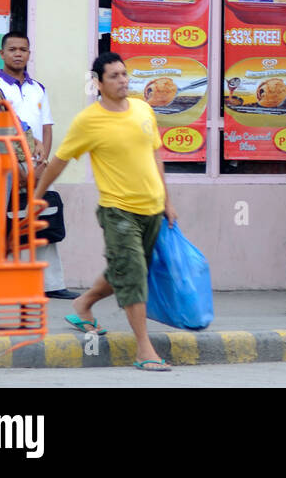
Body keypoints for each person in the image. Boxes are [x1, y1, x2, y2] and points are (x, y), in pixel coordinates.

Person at [32, 51, 177, 371]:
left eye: (124, 74)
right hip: (118, 211)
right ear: (98, 83)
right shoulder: (89, 121)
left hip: (151, 208)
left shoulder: (142, 109)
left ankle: (83, 305)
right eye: (114, 76)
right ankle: (144, 349)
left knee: (124, 270)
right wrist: (38, 196)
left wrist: (167, 201)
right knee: (134, 274)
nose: (123, 80)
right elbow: (59, 161)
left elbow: (156, 155)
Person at [0, 31, 74, 299]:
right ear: (2, 54)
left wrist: (42, 165)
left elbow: (47, 128)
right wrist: (17, 167)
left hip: (37, 165)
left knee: (42, 219)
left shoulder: (38, 88)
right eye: (13, 49)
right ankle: (5, 284)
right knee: (4, 222)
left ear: (29, 54)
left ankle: (52, 284)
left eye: (23, 49)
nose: (18, 53)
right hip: (6, 165)